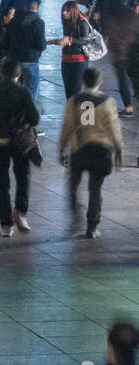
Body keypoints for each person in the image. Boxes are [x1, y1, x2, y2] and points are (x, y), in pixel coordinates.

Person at [59, 67, 124, 238]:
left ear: (83, 82)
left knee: (73, 183)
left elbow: (67, 127)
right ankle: (92, 226)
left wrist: (61, 149)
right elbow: (114, 128)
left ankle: (75, 212)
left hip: (79, 149)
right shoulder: (108, 101)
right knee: (95, 189)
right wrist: (118, 150)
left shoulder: (73, 101)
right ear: (99, 83)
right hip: (100, 151)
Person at [48, 1, 92, 101]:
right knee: (68, 92)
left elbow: (86, 41)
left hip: (79, 61)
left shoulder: (82, 22)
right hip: (66, 60)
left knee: (76, 92)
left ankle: (76, 114)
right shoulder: (67, 21)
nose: (64, 13)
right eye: (63, 11)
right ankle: (71, 114)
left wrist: (70, 40)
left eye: (67, 11)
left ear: (73, 11)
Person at [7, 0, 47, 100]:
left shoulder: (14, 21)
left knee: (13, 90)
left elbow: (5, 39)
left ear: (25, 8)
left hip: (14, 59)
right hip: (30, 60)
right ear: (37, 10)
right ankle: (28, 112)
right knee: (31, 92)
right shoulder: (39, 22)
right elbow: (41, 45)